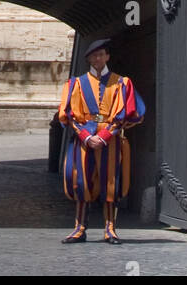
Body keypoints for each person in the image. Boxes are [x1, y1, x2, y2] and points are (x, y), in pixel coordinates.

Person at [58, 37, 145, 244]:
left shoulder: (122, 83)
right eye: (93, 56)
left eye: (101, 55)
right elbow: (69, 114)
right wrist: (87, 137)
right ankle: (79, 228)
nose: (98, 59)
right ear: (89, 59)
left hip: (110, 139)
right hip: (84, 140)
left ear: (107, 57)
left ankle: (110, 228)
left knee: (110, 182)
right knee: (82, 182)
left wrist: (105, 136)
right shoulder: (75, 84)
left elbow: (125, 112)